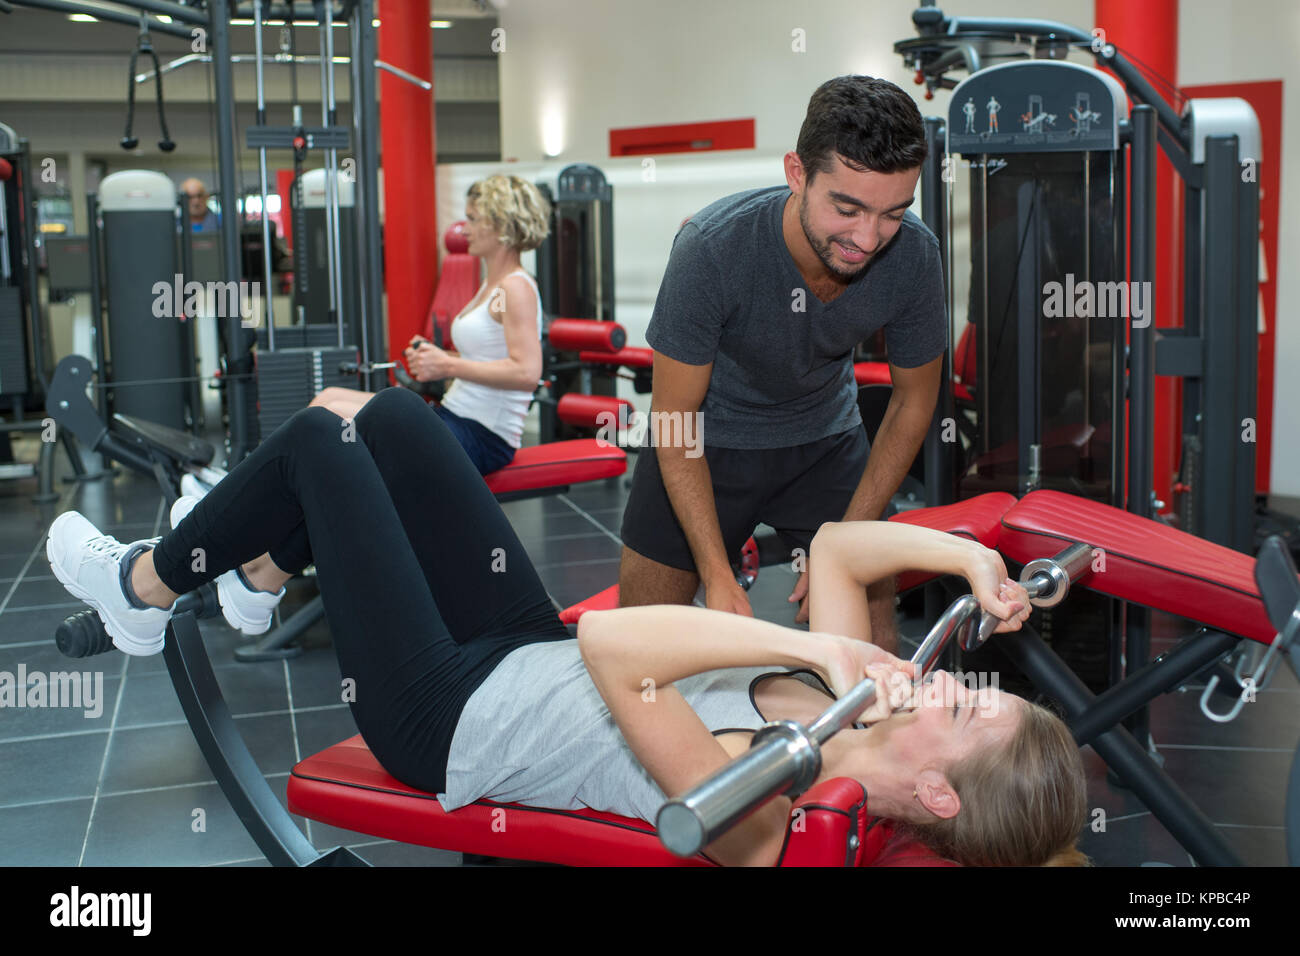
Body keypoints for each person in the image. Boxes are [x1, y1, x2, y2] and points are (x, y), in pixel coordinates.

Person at [46, 386, 1088, 867]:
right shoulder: (857, 700)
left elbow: (618, 650)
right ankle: (258, 569)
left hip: (446, 720)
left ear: (940, 788)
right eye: (978, 684)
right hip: (523, 652)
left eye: (967, 708)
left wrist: (807, 641)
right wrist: (968, 559)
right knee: (388, 415)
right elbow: (842, 544)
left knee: (324, 442)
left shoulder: (767, 811)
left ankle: (142, 588)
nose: (954, 680)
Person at [618, 76, 946, 655]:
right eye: (847, 208)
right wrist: (717, 576)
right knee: (644, 648)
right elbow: (674, 418)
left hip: (824, 441)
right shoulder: (712, 247)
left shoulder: (914, 255)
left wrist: (845, 543)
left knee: (872, 646)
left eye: (892, 213)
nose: (867, 239)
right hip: (704, 444)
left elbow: (913, 400)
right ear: (797, 173)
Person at [311, 174, 550, 478]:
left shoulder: (515, 288)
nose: (465, 229)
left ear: (501, 226)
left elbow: (527, 373)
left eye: (473, 220)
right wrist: (438, 357)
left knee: (327, 418)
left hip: (481, 437)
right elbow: (486, 359)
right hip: (453, 415)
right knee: (327, 399)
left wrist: (447, 367)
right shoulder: (491, 284)